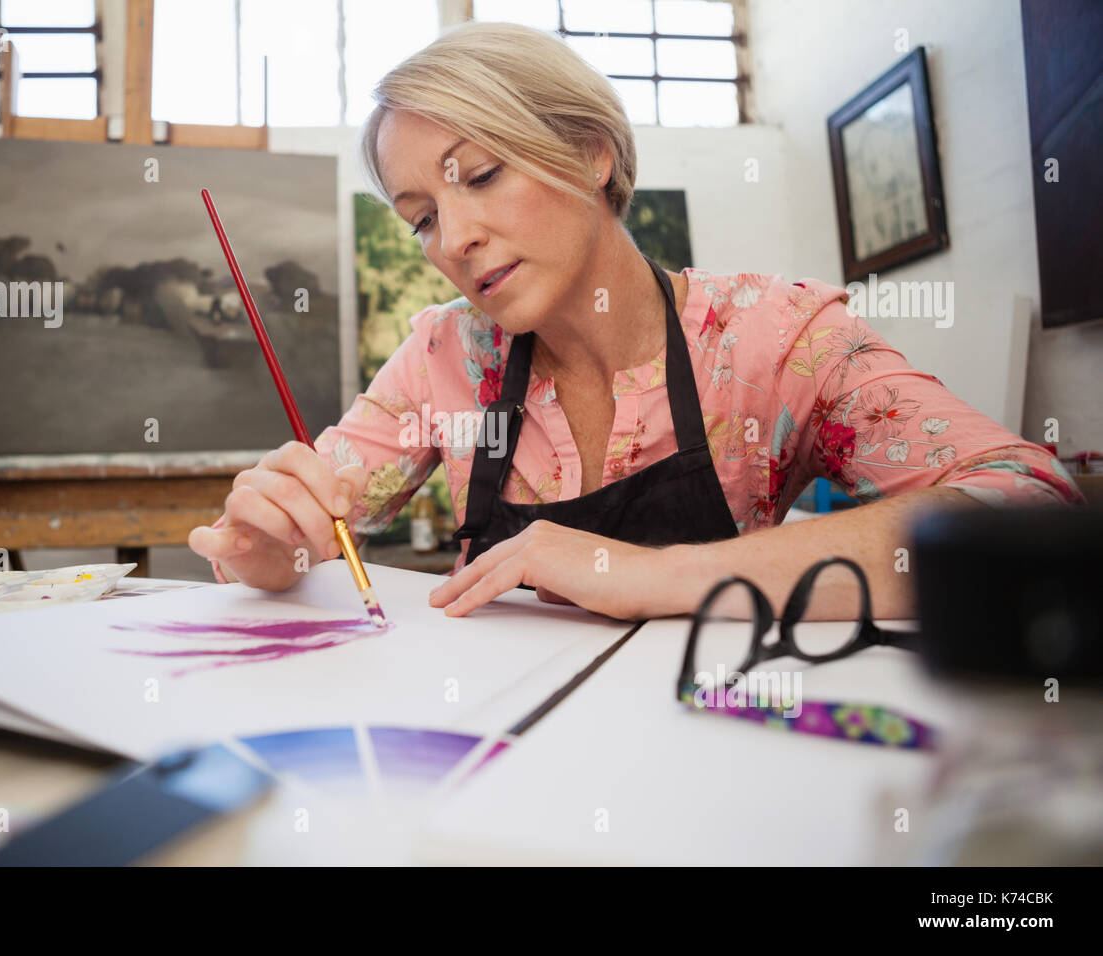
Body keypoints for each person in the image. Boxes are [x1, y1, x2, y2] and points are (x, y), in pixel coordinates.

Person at [189, 22, 1083, 622]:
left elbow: (1030, 504)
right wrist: (271, 545)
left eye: (482, 175)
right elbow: (308, 526)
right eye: (420, 218)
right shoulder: (441, 357)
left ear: (590, 153)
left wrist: (664, 575)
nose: (452, 241)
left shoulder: (775, 338)